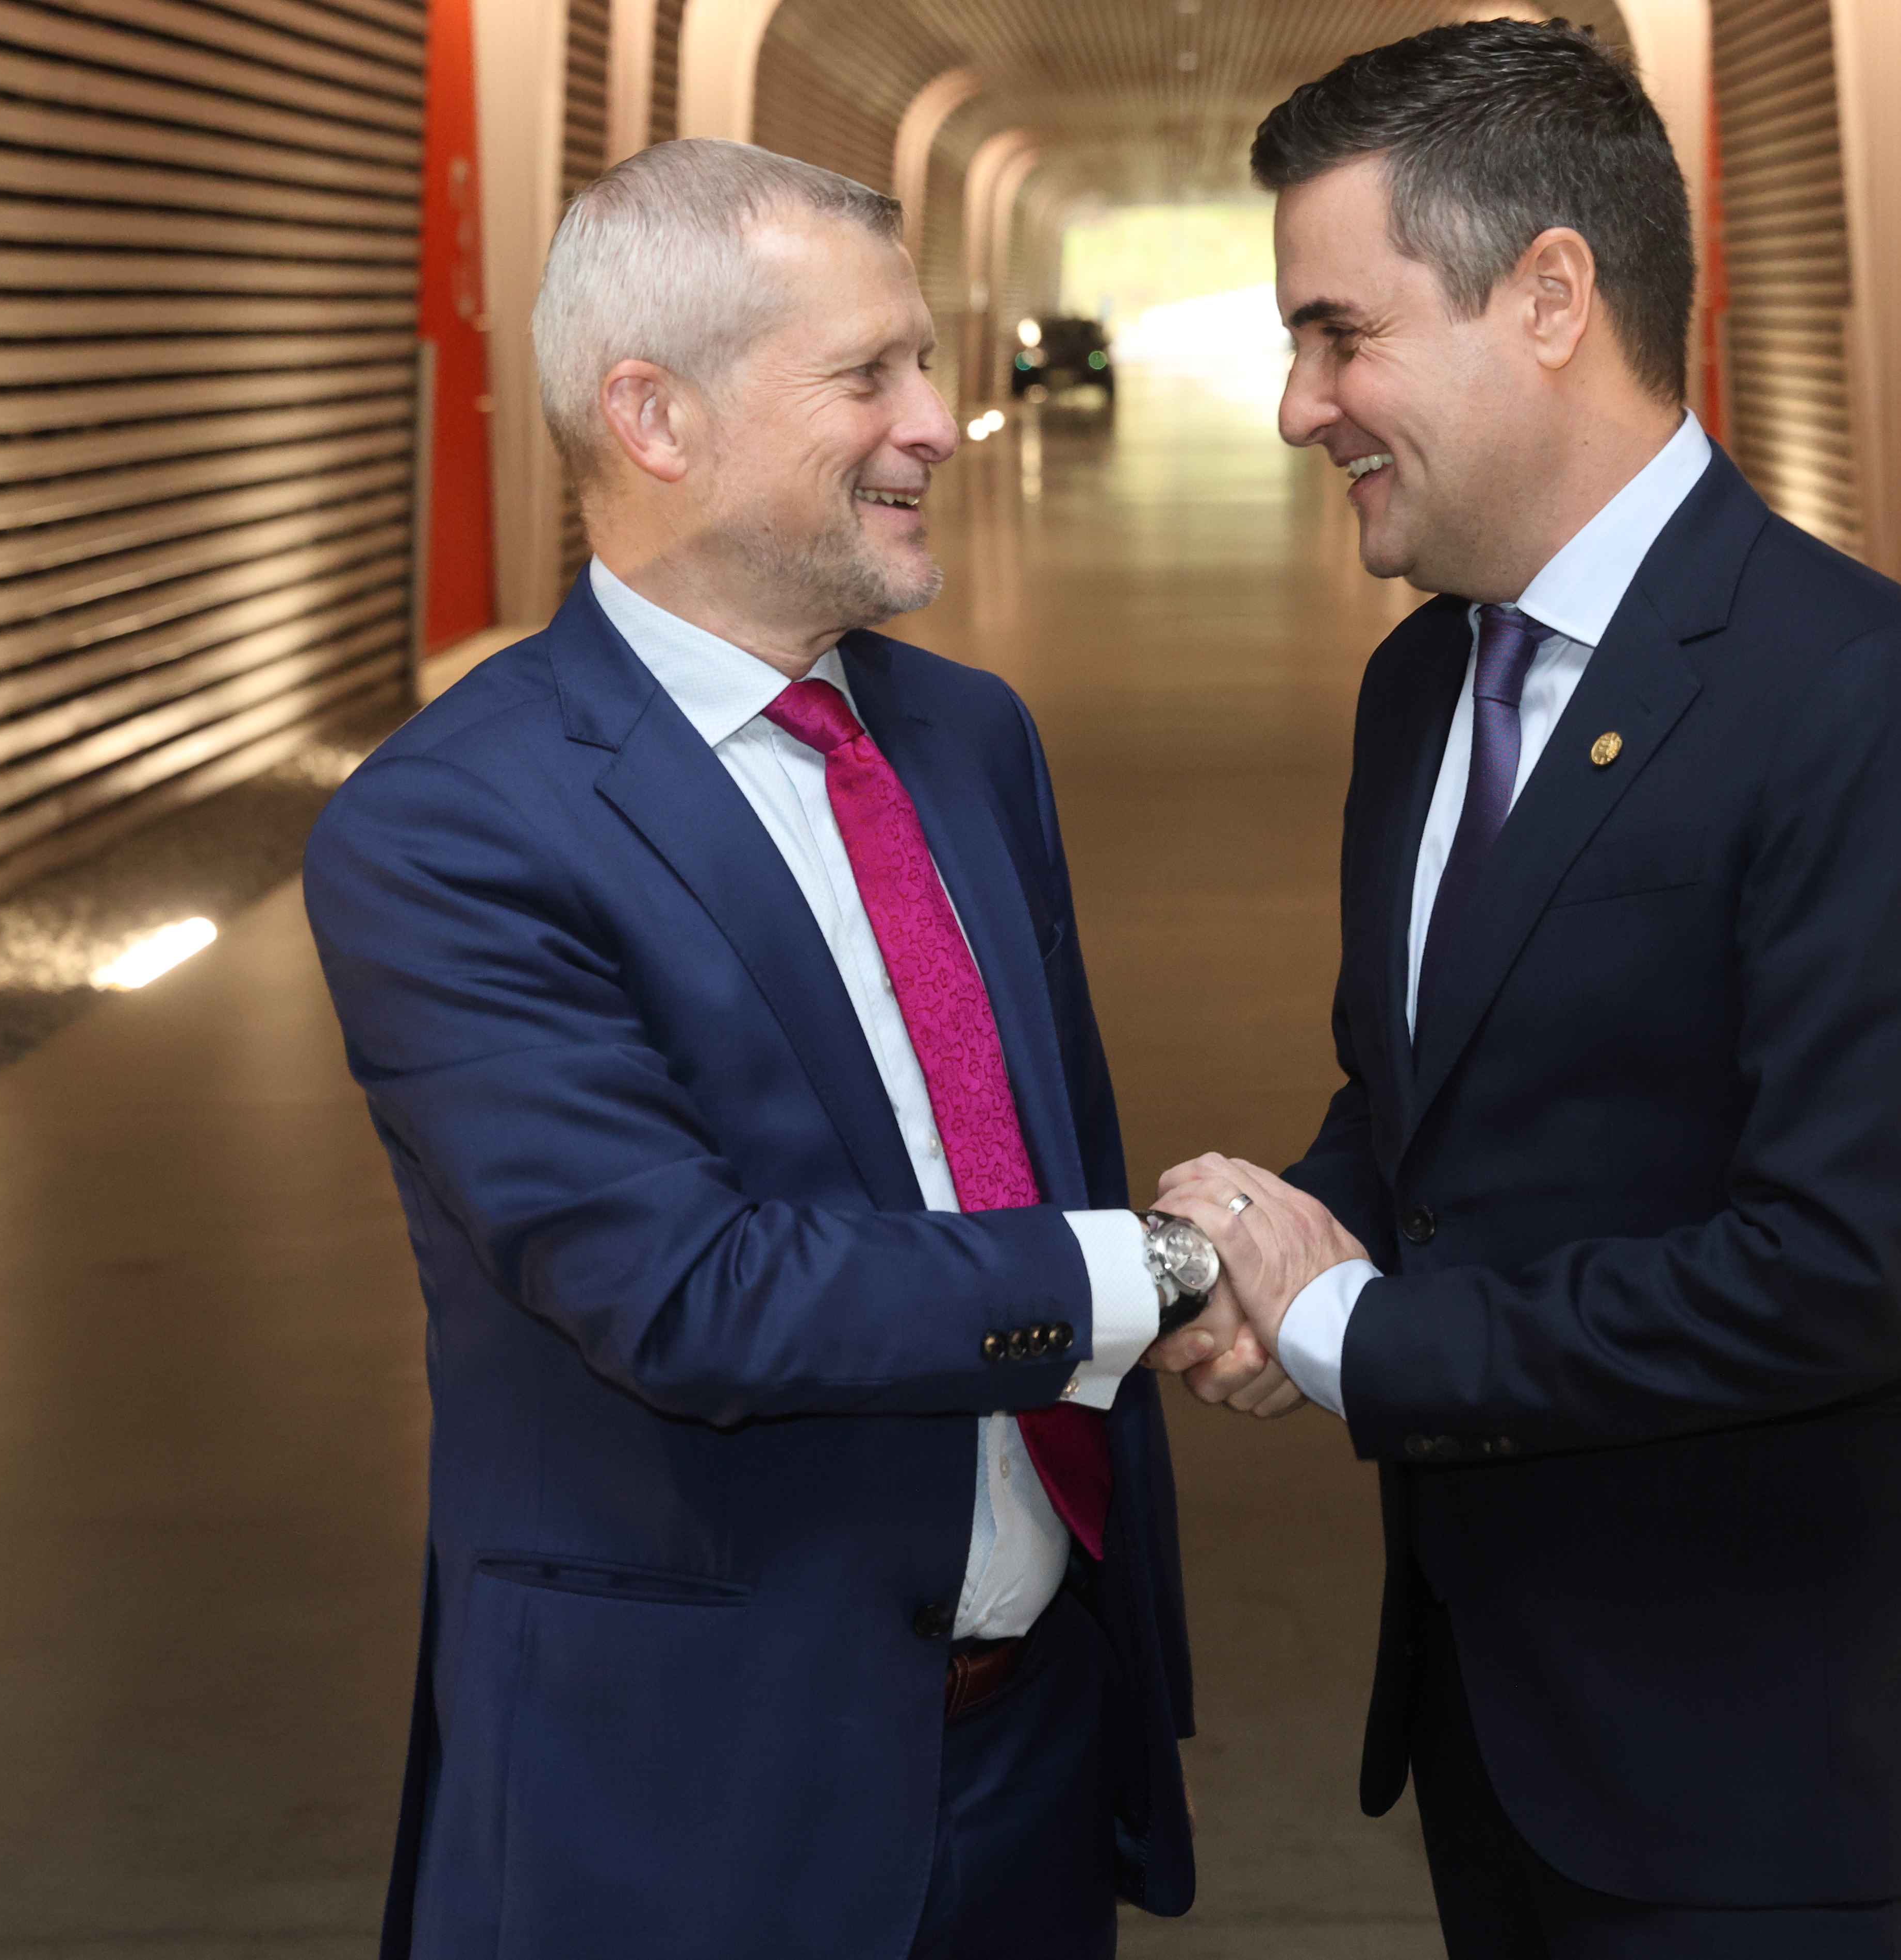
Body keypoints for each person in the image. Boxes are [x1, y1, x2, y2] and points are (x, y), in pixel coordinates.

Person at [1146, 22, 1901, 1959]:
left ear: (1548, 296)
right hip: (1510, 1722)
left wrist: (1352, 1339)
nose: (1300, 406)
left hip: (1767, 1776)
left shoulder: (1850, 694)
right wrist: (1270, 1235)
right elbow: (1428, 1102)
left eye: (1338, 332)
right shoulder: (1423, 683)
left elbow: (1834, 1267)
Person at [303, 140, 1227, 1959]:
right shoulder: (450, 831)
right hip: (686, 1800)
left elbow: (1028, 1159)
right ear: (652, 414)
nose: (940, 424)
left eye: (930, 364)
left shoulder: (970, 739)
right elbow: (688, 1294)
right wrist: (1175, 1269)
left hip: (1030, 1745)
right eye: (869, 373)